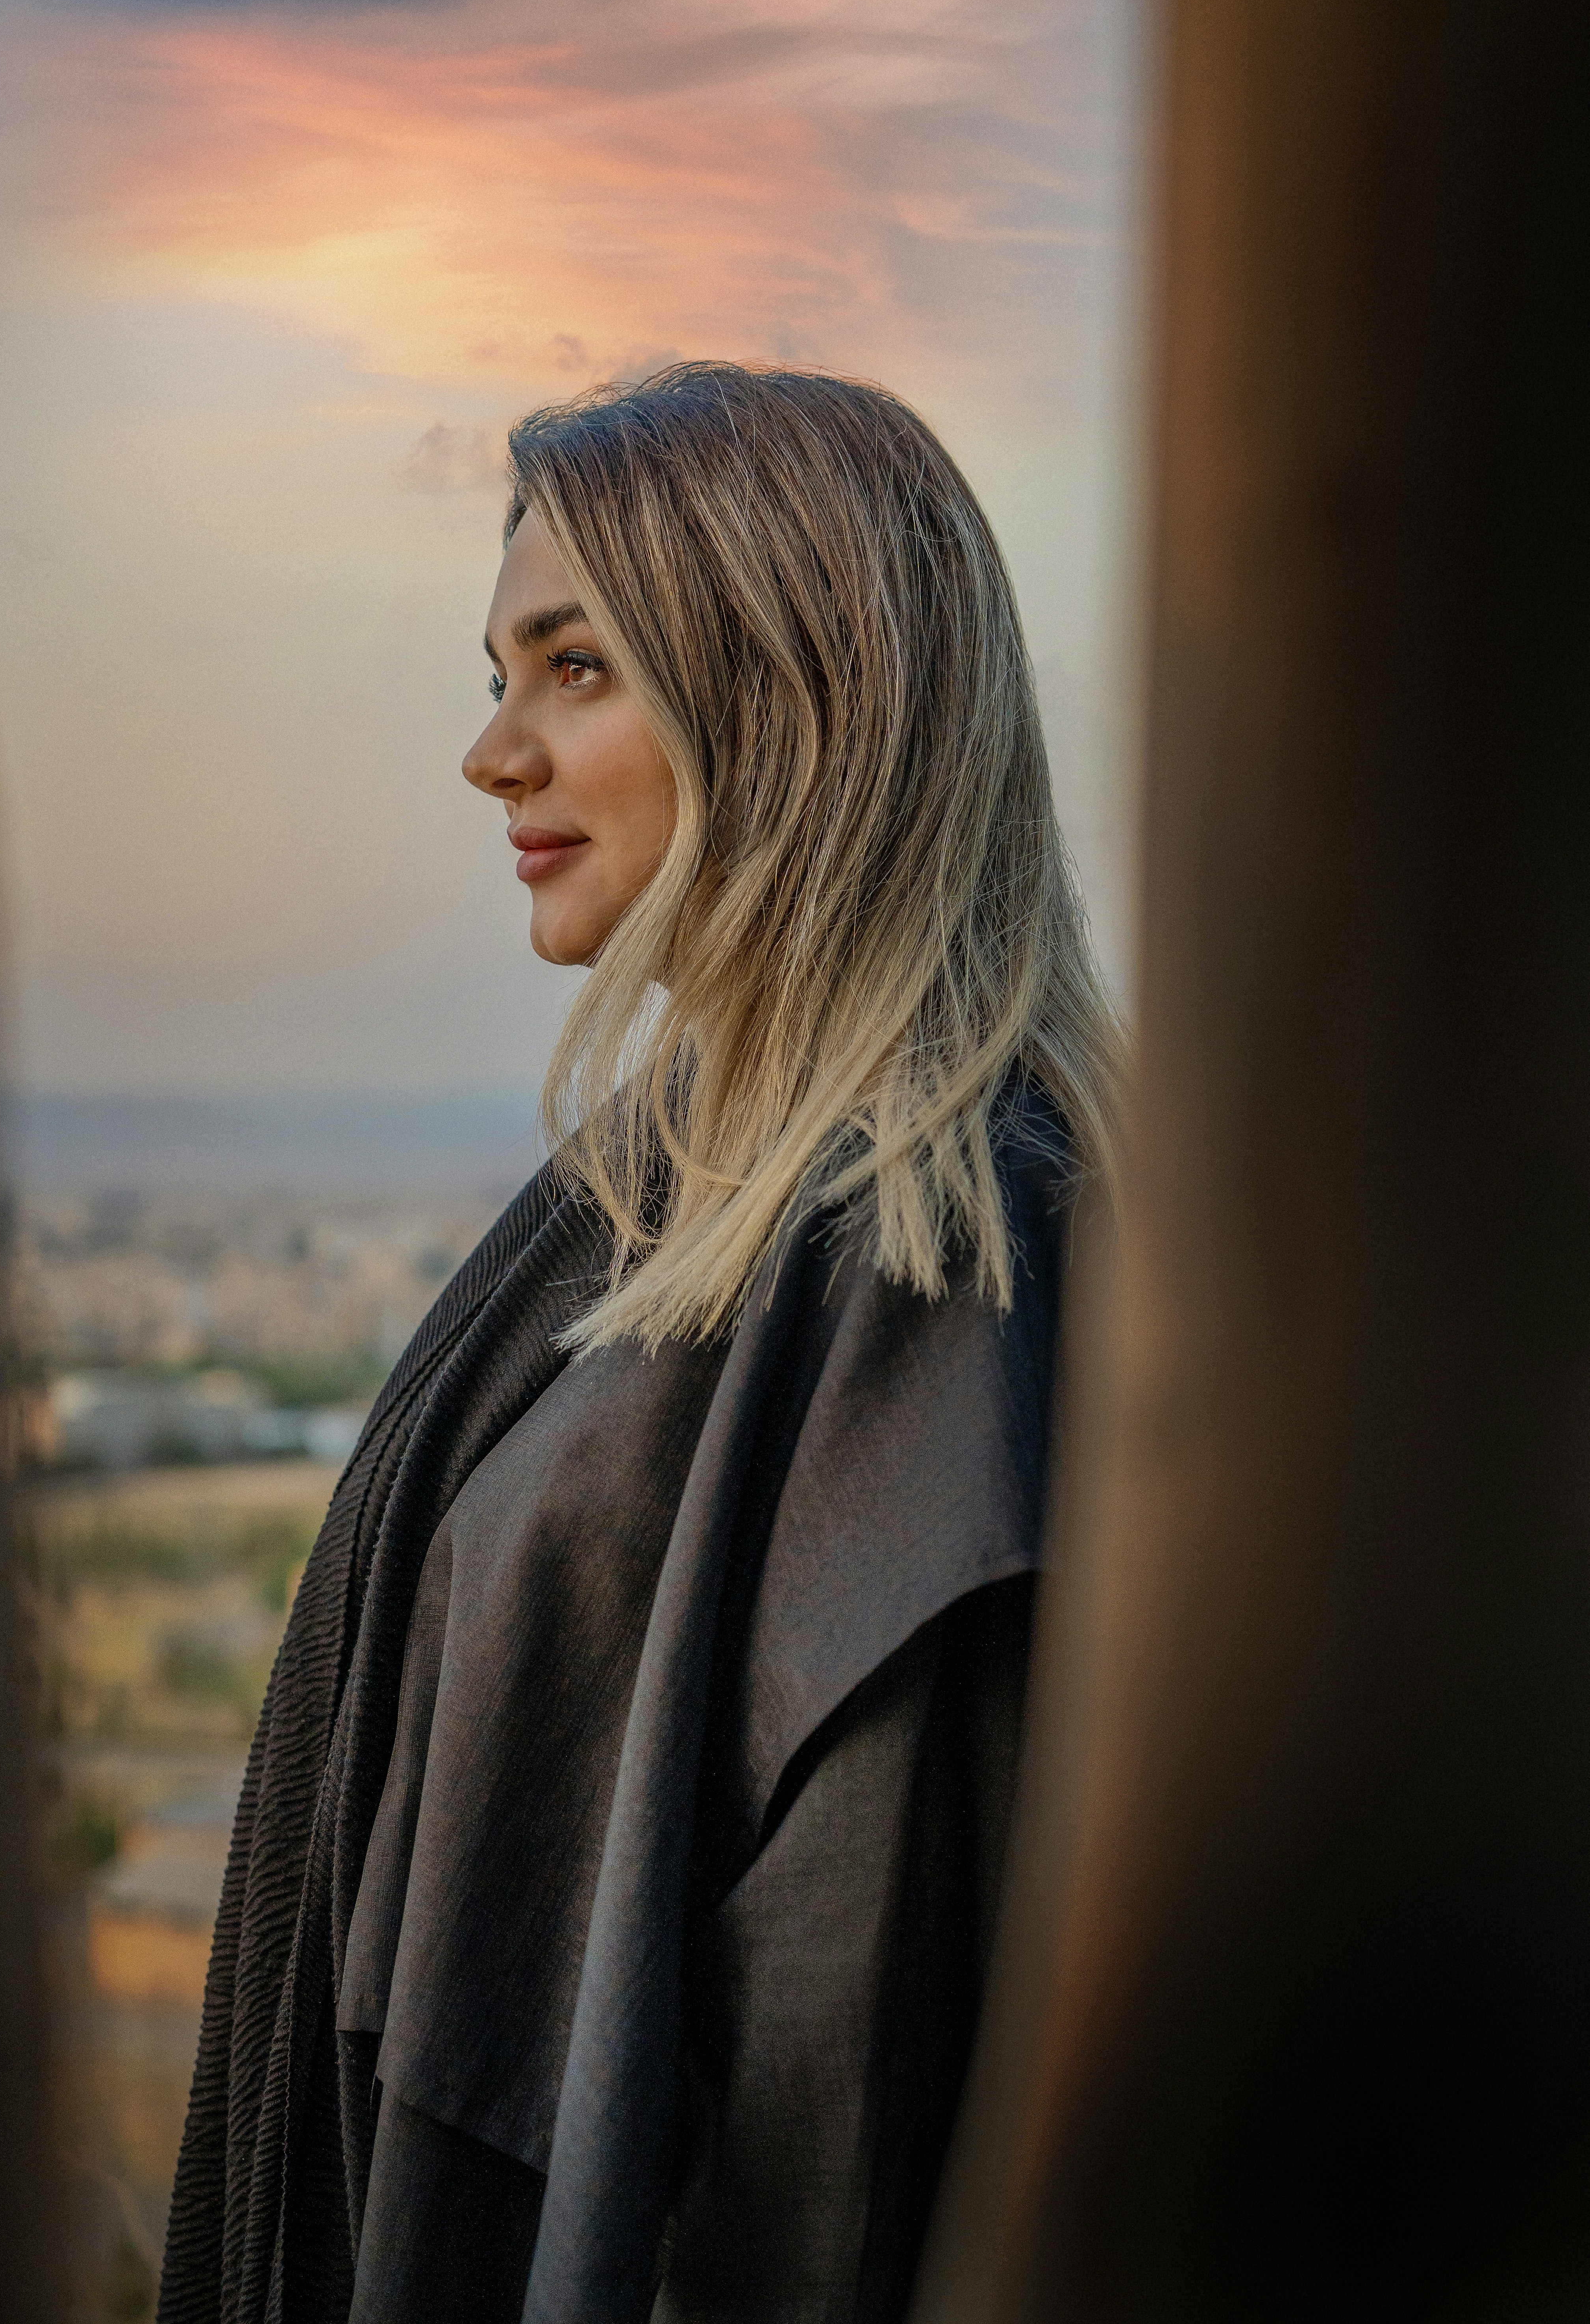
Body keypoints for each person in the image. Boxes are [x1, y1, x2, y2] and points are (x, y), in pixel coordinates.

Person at [157, 362, 1120, 2324]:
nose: (491, 752)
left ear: (791, 690)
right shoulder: (696, 1201)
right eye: (502, 670)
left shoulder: (937, 1275)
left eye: (571, 668)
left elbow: (851, 2116)